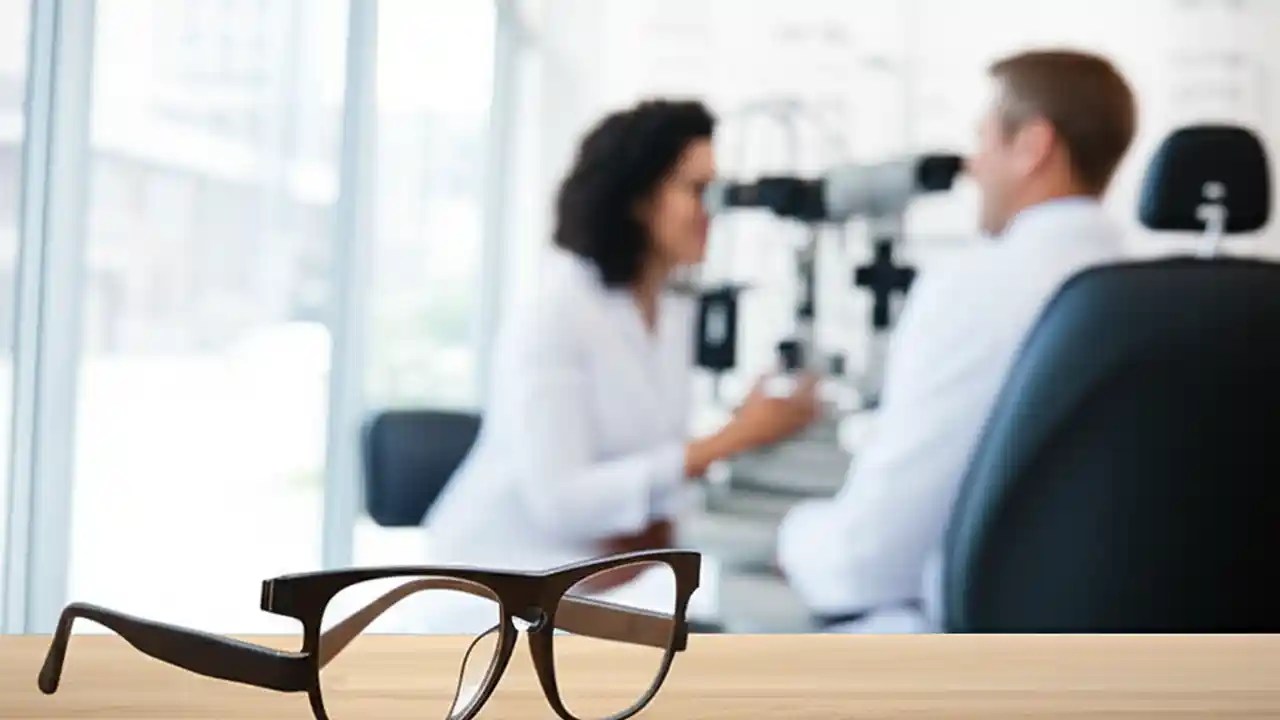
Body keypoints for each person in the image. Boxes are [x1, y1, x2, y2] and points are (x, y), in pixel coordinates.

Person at [776, 50, 1139, 633]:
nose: (972, 166)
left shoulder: (978, 287)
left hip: (985, 658)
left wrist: (793, 536)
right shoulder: (1158, 295)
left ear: (1033, 146)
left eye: (984, 139)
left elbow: (869, 561)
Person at [424, 99, 819, 621]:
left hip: (605, 578)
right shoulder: (556, 314)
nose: (715, 209)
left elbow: (652, 465)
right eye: (698, 190)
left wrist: (738, 431)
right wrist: (736, 437)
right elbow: (562, 502)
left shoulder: (670, 310)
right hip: (494, 591)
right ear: (637, 196)